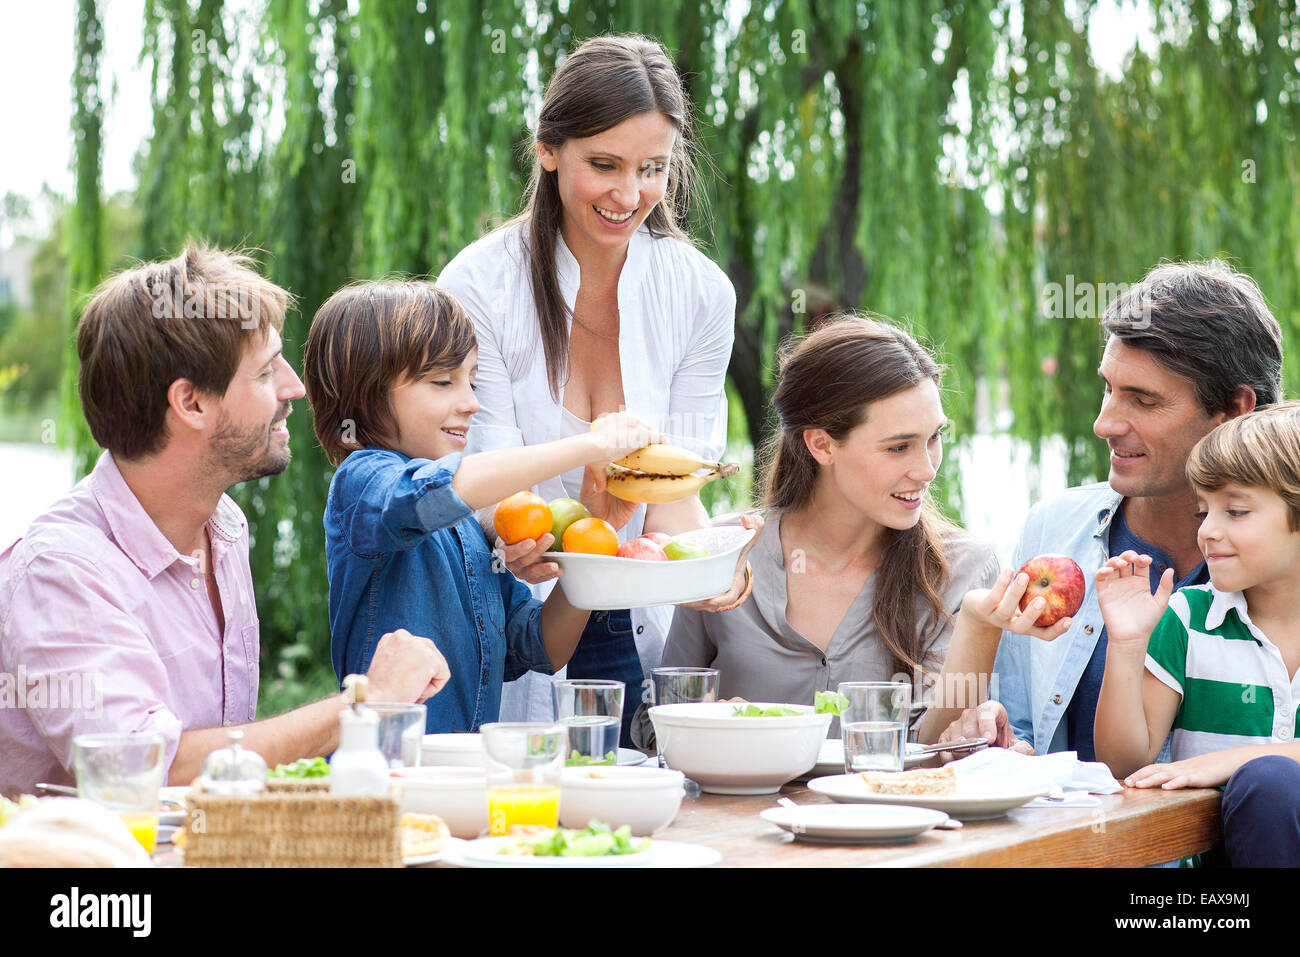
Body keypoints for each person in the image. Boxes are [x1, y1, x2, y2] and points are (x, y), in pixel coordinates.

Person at [0, 243, 449, 795]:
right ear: (190, 404)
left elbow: (217, 769)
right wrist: (364, 701)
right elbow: (144, 770)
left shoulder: (224, 527)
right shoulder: (63, 571)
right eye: (265, 373)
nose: (295, 388)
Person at [437, 35, 751, 742]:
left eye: (652, 169)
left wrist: (710, 559)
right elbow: (480, 483)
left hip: (638, 620)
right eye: (603, 165)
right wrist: (538, 530)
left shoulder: (701, 294)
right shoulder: (477, 286)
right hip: (522, 611)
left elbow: (668, 494)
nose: (628, 194)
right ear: (548, 149)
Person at [925, 260, 1283, 758]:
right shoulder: (1053, 526)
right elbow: (1016, 729)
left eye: (1143, 400)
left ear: (1234, 410)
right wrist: (1002, 741)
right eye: (1109, 389)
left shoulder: (1287, 560)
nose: (1104, 423)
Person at [302, 280, 661, 733]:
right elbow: (435, 493)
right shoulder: (364, 482)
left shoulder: (466, 527)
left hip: (464, 781)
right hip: (393, 782)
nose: (471, 403)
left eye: (471, 380)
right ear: (367, 391)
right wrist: (590, 445)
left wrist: (588, 537)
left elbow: (542, 647)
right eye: (442, 382)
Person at [661, 316, 1003, 735]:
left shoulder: (962, 568)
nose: (927, 469)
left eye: (934, 437)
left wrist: (977, 627)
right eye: (899, 447)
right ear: (821, 444)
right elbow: (660, 714)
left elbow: (934, 752)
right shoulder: (724, 551)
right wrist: (705, 722)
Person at [1094, 402, 1300, 866]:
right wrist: (1126, 647)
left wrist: (1230, 763)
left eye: (1237, 511)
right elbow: (1126, 766)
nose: (1208, 531)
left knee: (1270, 781)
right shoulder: (1188, 617)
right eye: (1203, 512)